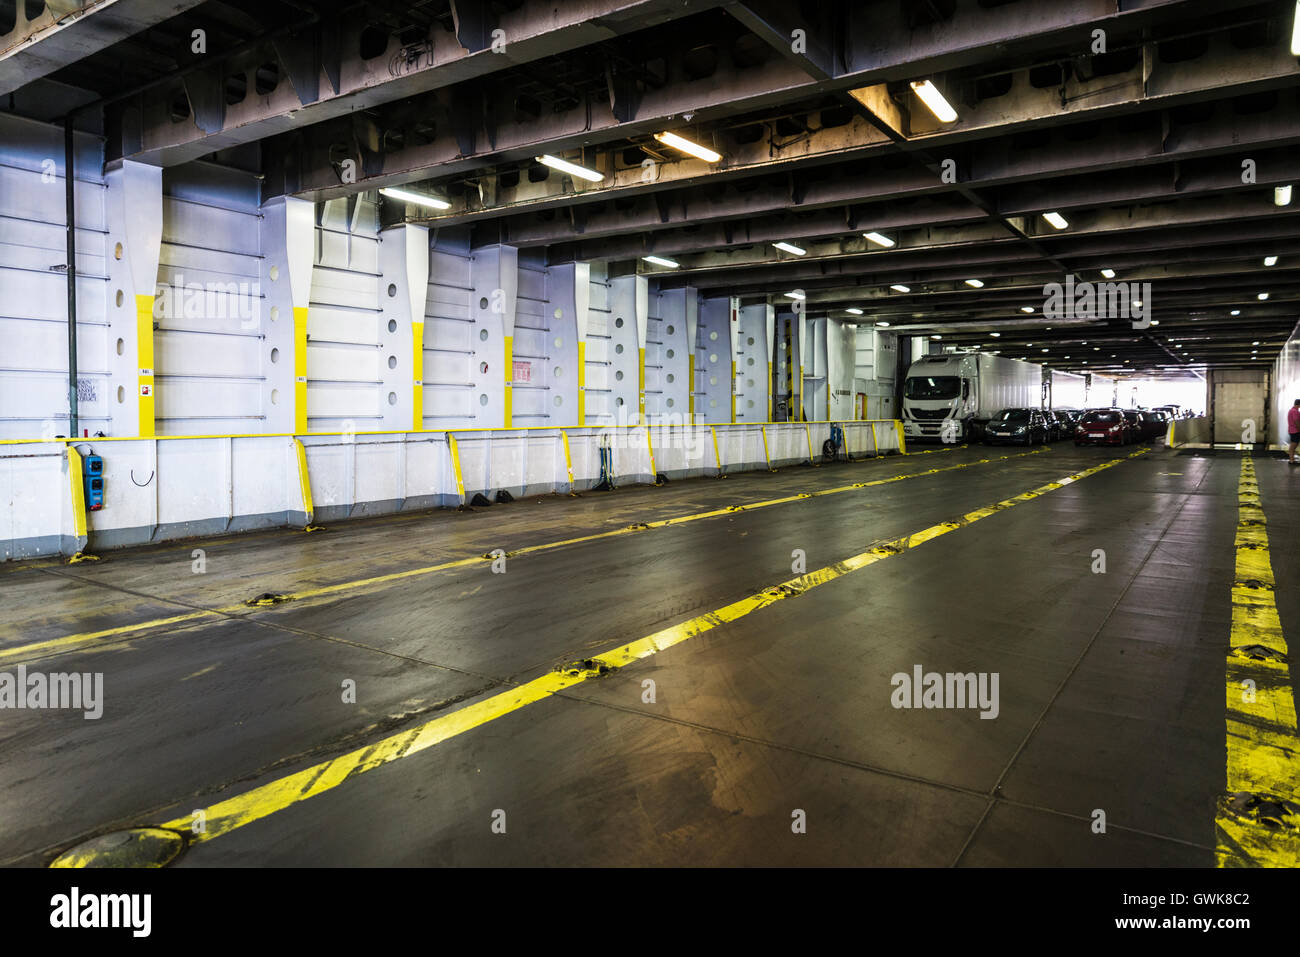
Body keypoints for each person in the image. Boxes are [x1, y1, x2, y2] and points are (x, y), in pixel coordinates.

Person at [1289, 400, 1300, 465]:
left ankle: (1291, 459)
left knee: (1293, 445)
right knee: (1293, 445)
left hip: (1293, 430)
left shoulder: (1292, 410)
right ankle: (1291, 460)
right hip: (1295, 430)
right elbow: (1296, 422)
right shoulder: (1295, 411)